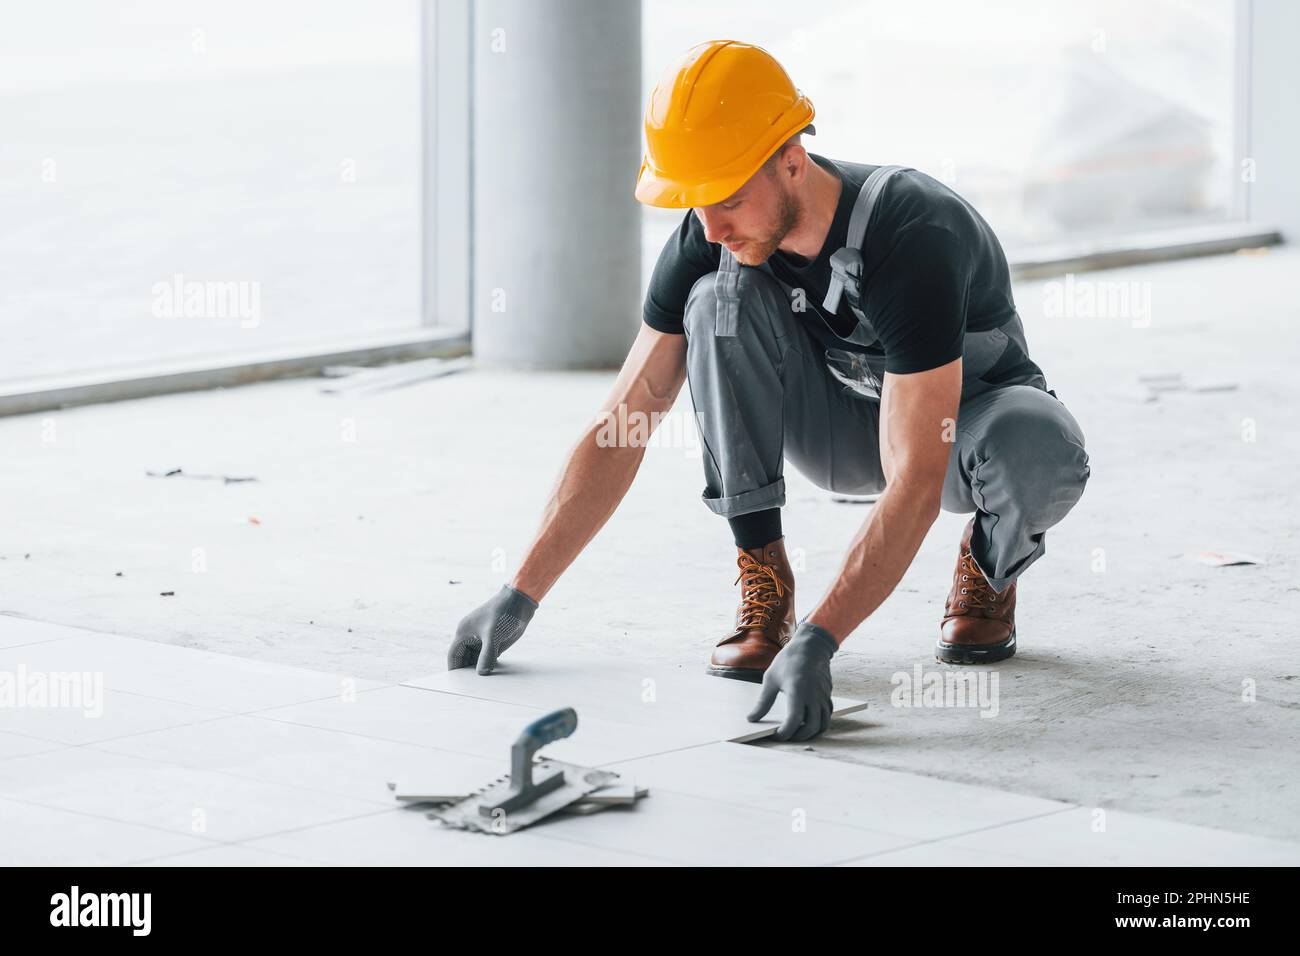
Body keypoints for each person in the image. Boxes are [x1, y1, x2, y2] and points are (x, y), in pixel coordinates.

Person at [448, 39, 1090, 742]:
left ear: (792, 159)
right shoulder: (713, 234)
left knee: (1040, 445)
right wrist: (520, 593)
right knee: (715, 301)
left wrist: (823, 639)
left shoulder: (916, 235)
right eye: (695, 206)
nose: (711, 228)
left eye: (726, 200)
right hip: (842, 429)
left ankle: (988, 571)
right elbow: (622, 421)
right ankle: (766, 580)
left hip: (959, 435)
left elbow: (915, 477)